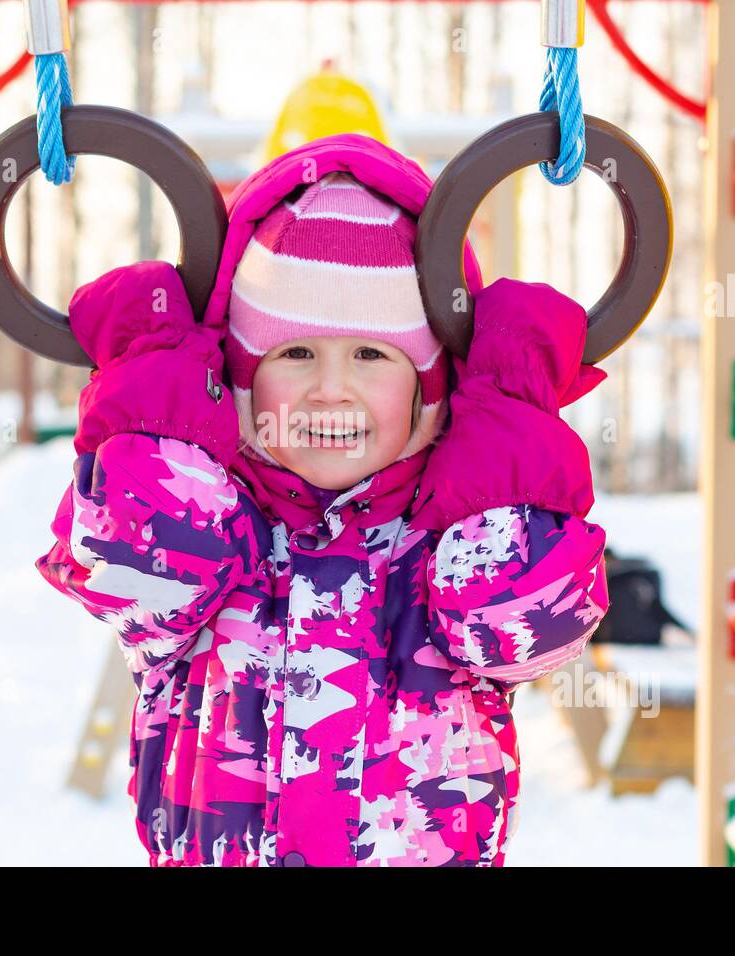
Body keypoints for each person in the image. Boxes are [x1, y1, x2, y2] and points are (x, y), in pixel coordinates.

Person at [37, 135, 610, 867]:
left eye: (372, 356)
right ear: (242, 382)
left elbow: (521, 621)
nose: (330, 388)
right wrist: (153, 381)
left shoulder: (448, 549)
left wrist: (508, 411)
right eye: (293, 354)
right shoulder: (216, 536)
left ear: (429, 391)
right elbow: (131, 568)